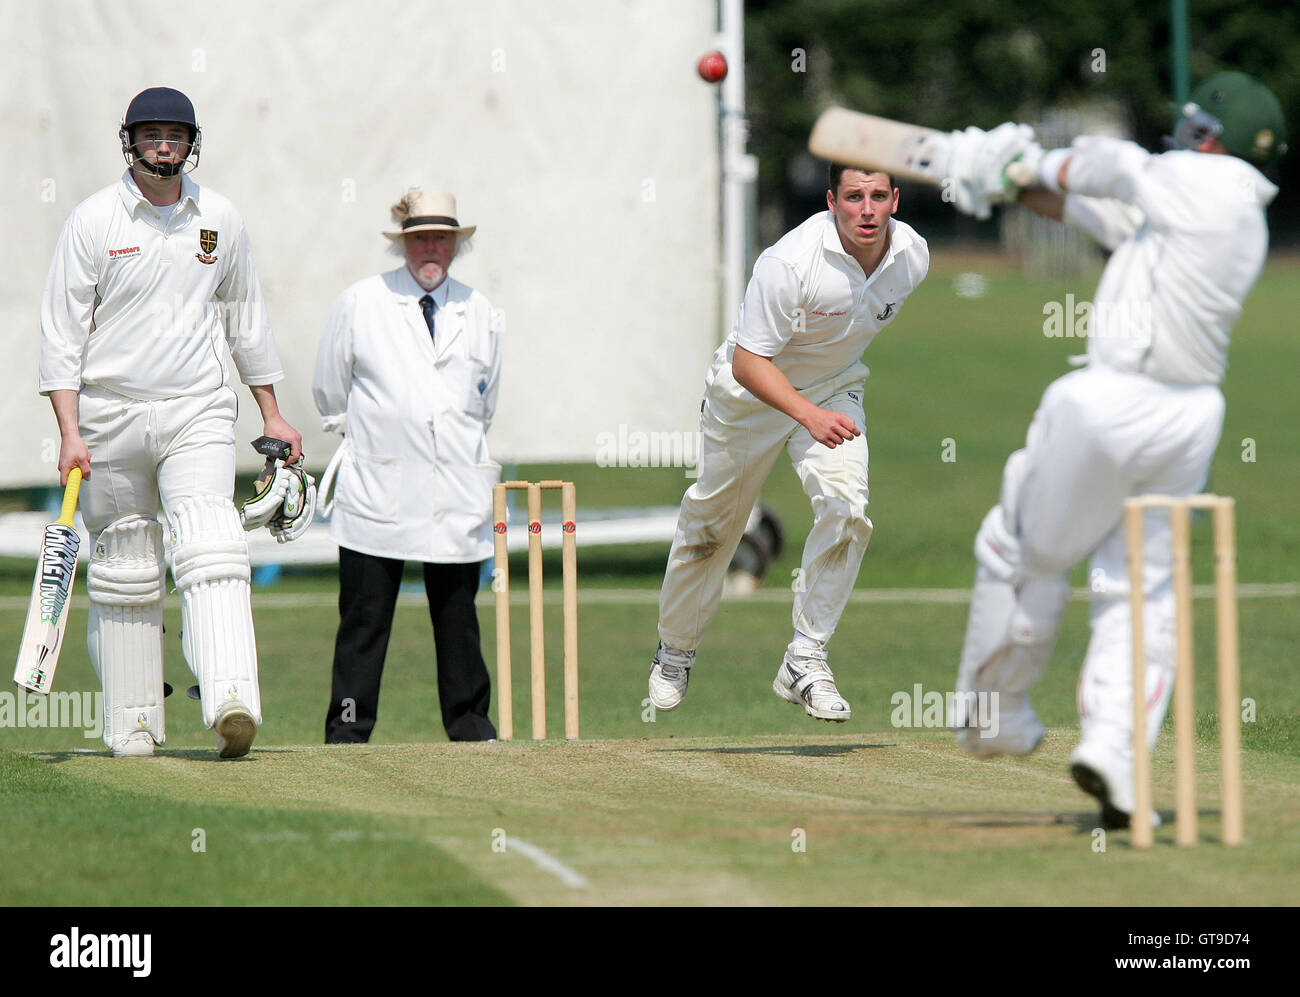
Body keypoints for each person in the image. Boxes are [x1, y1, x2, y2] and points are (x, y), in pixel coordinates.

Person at [944, 72, 1286, 828]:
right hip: (1191, 416)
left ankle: (997, 714)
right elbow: (1087, 205)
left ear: (1210, 136)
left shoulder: (1196, 181)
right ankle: (1115, 752)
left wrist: (1021, 158)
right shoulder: (1210, 214)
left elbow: (1115, 164)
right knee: (1143, 586)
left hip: (1108, 402)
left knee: (1019, 545)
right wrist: (1005, 179)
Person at [39, 86, 309, 759]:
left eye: (176, 135)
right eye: (153, 134)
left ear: (193, 142)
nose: (165, 146)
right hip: (110, 413)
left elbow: (247, 322)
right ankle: (133, 722)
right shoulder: (93, 221)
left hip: (197, 408)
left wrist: (273, 412)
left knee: (213, 540)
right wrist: (70, 431)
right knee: (127, 561)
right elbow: (62, 336)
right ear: (130, 140)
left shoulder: (219, 218)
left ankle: (230, 698)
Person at [649, 166, 930, 720]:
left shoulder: (913, 257)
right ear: (832, 201)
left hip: (833, 388)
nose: (867, 210)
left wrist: (822, 405)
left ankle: (806, 656)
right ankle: (675, 650)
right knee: (713, 526)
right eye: (854, 197)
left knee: (848, 509)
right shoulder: (788, 263)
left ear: (896, 199)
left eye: (878, 196)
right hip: (749, 394)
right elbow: (748, 361)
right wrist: (807, 415)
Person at [315, 188, 502, 743]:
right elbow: (330, 391)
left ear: (454, 246)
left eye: (441, 239)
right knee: (364, 621)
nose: (430, 249)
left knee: (457, 617)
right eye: (420, 237)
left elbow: (486, 401)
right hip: (379, 487)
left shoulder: (481, 311)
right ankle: (347, 732)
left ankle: (471, 728)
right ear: (403, 243)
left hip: (455, 491)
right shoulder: (360, 302)